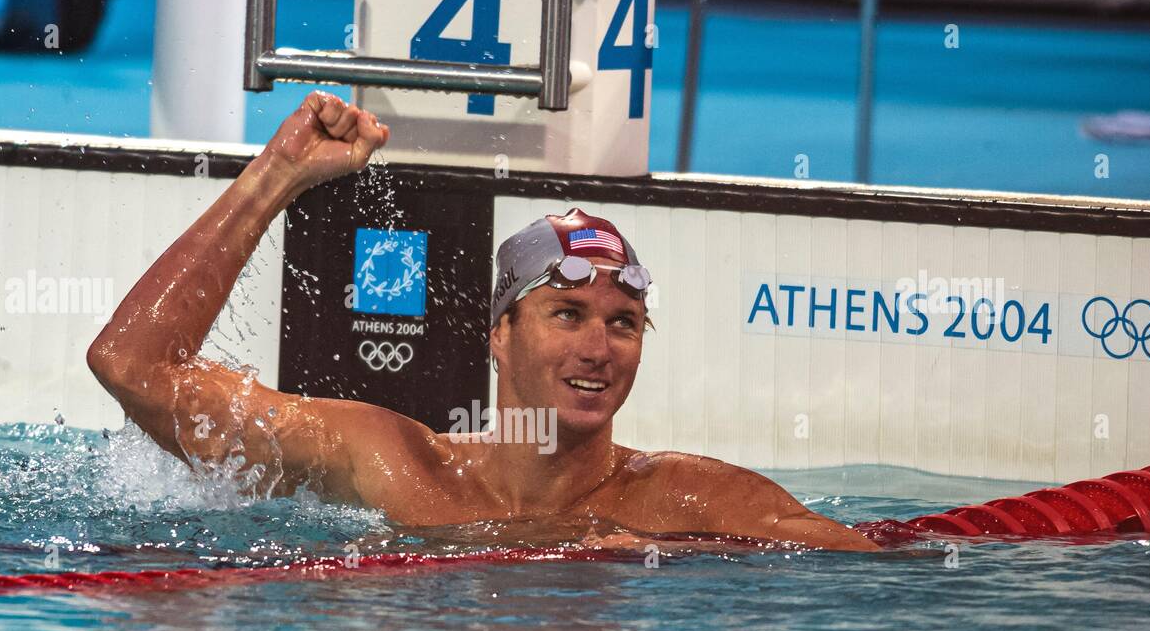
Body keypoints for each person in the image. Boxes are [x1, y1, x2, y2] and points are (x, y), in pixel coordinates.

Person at [87, 91, 878, 553]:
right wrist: (276, 178)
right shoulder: (389, 465)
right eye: (567, 313)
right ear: (498, 334)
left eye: (625, 323)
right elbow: (131, 367)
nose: (598, 349)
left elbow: (877, 563)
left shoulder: (684, 501)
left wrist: (661, 565)